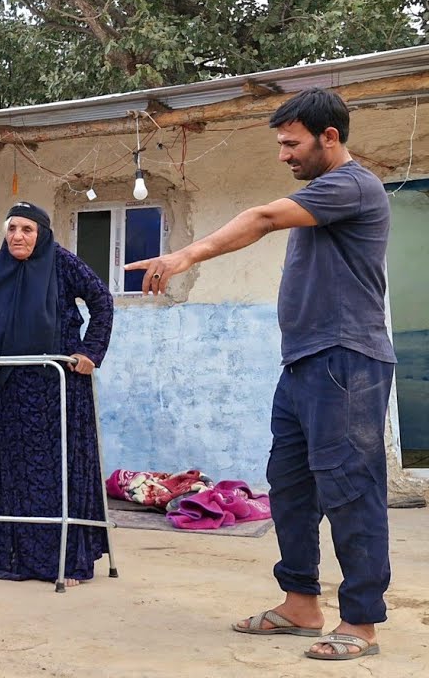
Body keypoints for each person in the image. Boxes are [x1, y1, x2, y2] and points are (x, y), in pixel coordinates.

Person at [128, 87, 395, 661]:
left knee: (351, 490)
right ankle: (300, 604)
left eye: (291, 144)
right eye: (280, 144)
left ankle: (361, 622)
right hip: (303, 363)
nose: (283, 156)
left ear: (330, 137)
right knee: (291, 488)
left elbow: (263, 217)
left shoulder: (354, 185)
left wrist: (184, 256)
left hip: (348, 360)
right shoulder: (323, 193)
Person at [0, 202, 114, 587]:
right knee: (15, 467)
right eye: (12, 228)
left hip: (59, 380)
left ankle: (63, 561)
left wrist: (90, 353)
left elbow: (102, 301)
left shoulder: (62, 262)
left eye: (27, 229)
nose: (18, 236)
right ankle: (13, 558)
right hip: (14, 384)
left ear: (41, 233)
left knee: (59, 469)